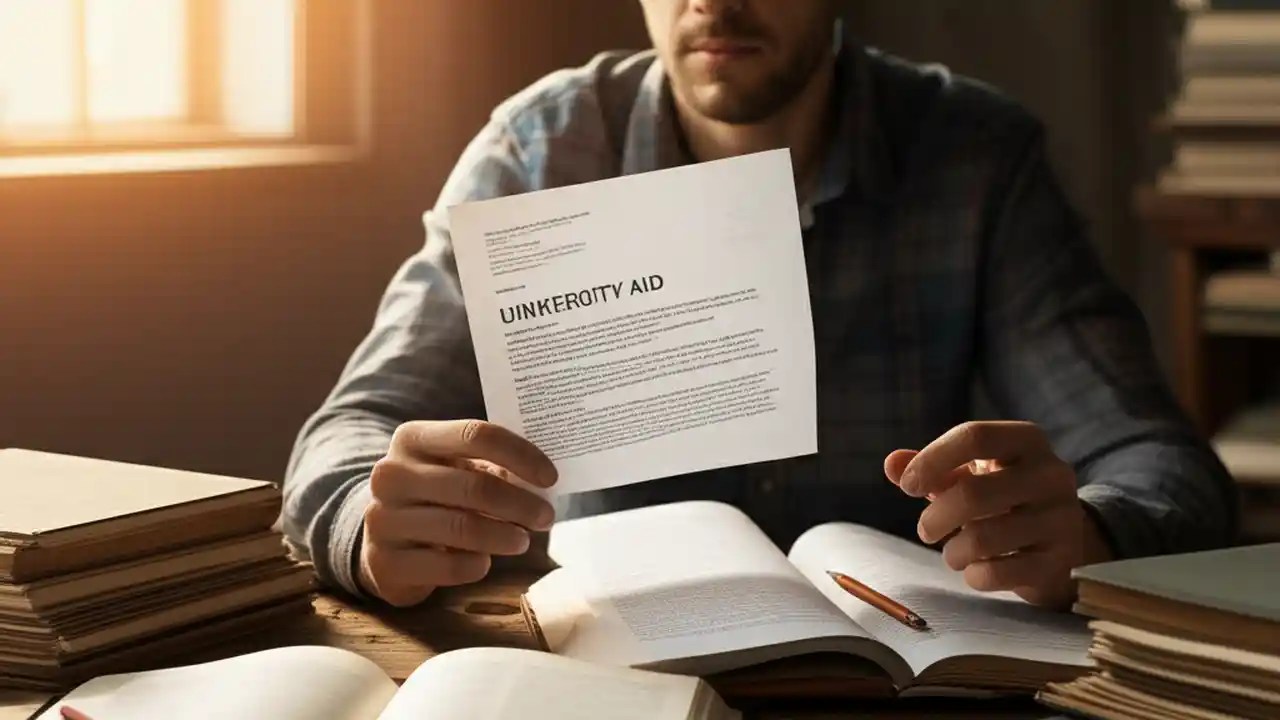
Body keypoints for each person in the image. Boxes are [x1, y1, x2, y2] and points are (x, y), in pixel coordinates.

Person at [282, 0, 1235, 611]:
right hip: (608, 672)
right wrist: (373, 526)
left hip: (895, 673)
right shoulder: (542, 150)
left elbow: (1162, 467)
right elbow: (355, 427)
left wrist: (1086, 530)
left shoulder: (976, 158)